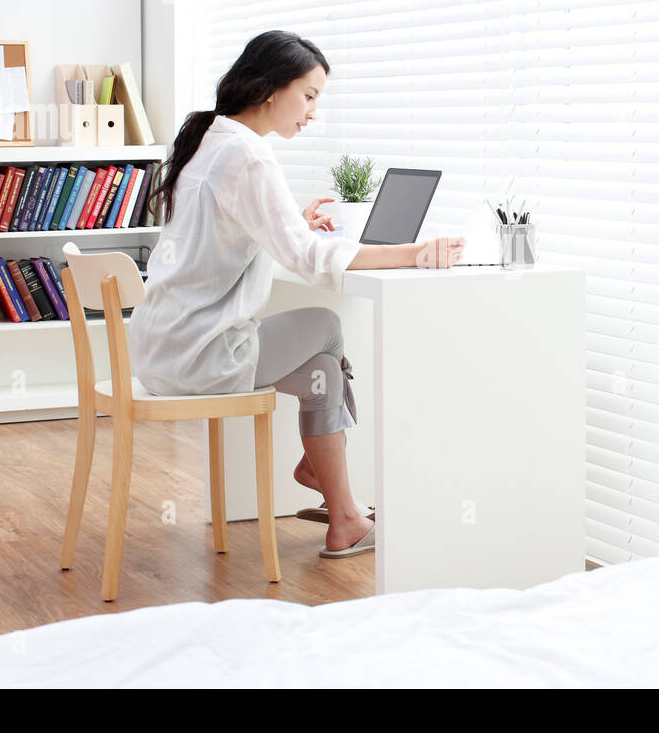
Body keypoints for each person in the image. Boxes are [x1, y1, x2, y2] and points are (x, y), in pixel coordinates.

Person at [130, 30, 464, 559]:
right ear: (270, 88)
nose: (312, 113)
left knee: (324, 372)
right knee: (327, 326)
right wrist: (413, 252)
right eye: (308, 96)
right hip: (199, 355)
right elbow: (308, 259)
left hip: (161, 351)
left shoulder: (210, 140)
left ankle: (344, 517)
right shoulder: (249, 155)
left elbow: (220, 232)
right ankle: (323, 473)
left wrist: (290, 223)